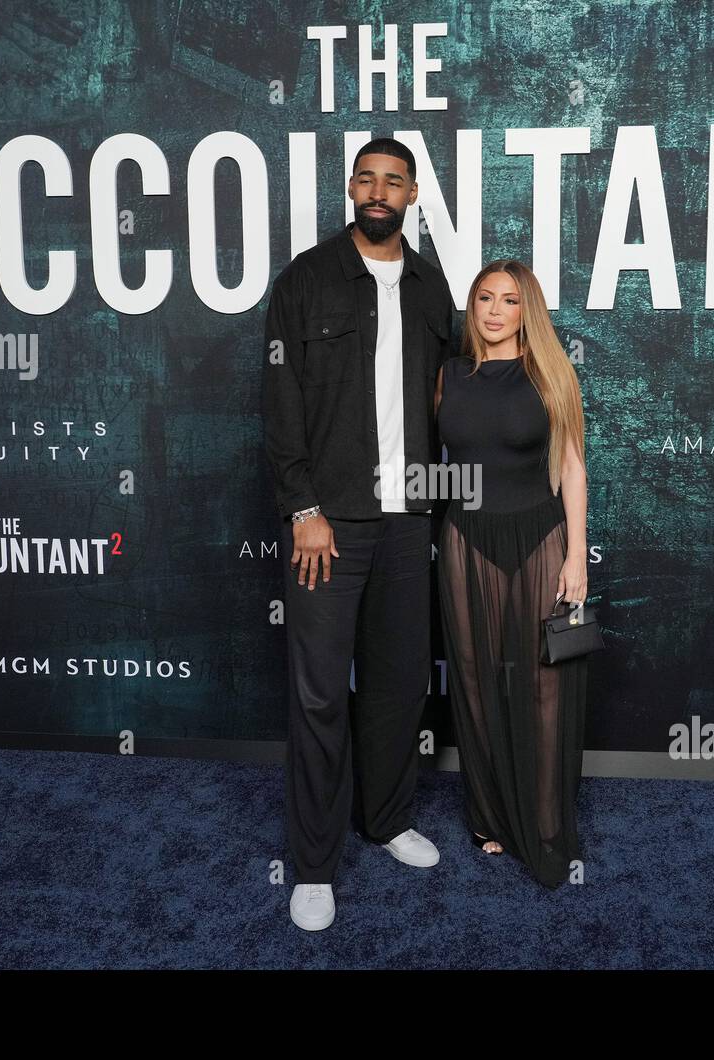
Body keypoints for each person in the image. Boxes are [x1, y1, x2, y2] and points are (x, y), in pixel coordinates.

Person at [261, 137, 456, 930]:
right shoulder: (306, 280)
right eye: (367, 178)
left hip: (409, 520)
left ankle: (388, 819)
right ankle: (313, 865)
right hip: (328, 524)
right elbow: (279, 406)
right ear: (351, 188)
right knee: (318, 694)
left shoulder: (431, 287)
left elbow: (450, 400)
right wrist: (302, 509)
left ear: (413, 194)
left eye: (395, 181)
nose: (380, 191)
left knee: (399, 685)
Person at [433, 260, 591, 889]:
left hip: (540, 539)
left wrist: (577, 555)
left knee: (542, 685)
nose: (494, 311)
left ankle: (546, 826)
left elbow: (573, 467)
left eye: (509, 300)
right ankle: (491, 815)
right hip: (465, 540)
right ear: (472, 307)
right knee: (473, 683)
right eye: (483, 299)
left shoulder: (549, 373)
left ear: (528, 310)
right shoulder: (447, 376)